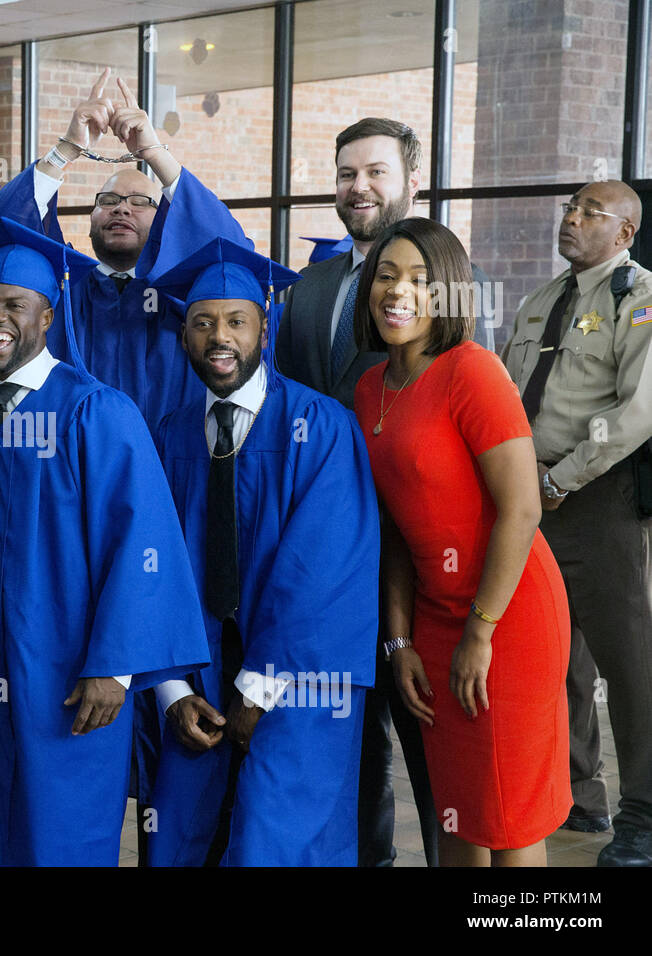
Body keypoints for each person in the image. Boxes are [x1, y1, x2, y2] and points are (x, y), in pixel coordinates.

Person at [0, 217, 211, 866]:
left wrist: (114, 667)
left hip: (71, 679)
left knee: (65, 836)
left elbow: (143, 545)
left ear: (48, 317)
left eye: (15, 306)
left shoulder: (96, 411)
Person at [274, 116, 479, 867]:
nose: (359, 188)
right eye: (347, 174)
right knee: (351, 736)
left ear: (412, 182)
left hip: (415, 551)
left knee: (433, 745)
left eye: (376, 173)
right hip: (327, 554)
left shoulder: (442, 285)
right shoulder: (311, 286)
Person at [146, 231, 380, 866]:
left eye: (236, 321)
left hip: (301, 676)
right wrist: (169, 687)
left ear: (264, 328)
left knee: (276, 842)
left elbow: (321, 571)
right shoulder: (168, 435)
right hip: (199, 672)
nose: (218, 336)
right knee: (179, 839)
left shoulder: (322, 427)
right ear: (184, 335)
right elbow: (151, 569)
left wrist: (261, 684)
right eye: (201, 323)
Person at [356, 217, 570, 866]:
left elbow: (522, 508)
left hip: (507, 615)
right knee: (456, 810)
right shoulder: (369, 389)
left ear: (446, 293)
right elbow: (392, 527)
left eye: (420, 280)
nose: (398, 291)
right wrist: (399, 641)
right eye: (386, 275)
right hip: (435, 618)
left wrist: (481, 631)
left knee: (506, 814)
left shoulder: (471, 372)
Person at [500, 181, 652, 866]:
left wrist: (562, 477)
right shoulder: (542, 299)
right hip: (529, 501)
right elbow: (505, 390)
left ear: (624, 233)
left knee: (630, 665)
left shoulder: (637, 297)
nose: (572, 217)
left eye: (591, 212)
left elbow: (637, 410)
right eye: (571, 207)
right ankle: (574, 795)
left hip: (596, 498)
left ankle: (644, 815)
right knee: (551, 656)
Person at [0, 69, 227, 436]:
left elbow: (226, 247)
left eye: (140, 202)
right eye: (108, 200)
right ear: (91, 218)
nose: (121, 209)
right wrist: (66, 147)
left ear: (165, 221)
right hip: (67, 467)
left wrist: (155, 155)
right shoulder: (63, 289)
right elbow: (5, 234)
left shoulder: (182, 295)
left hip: (166, 468)